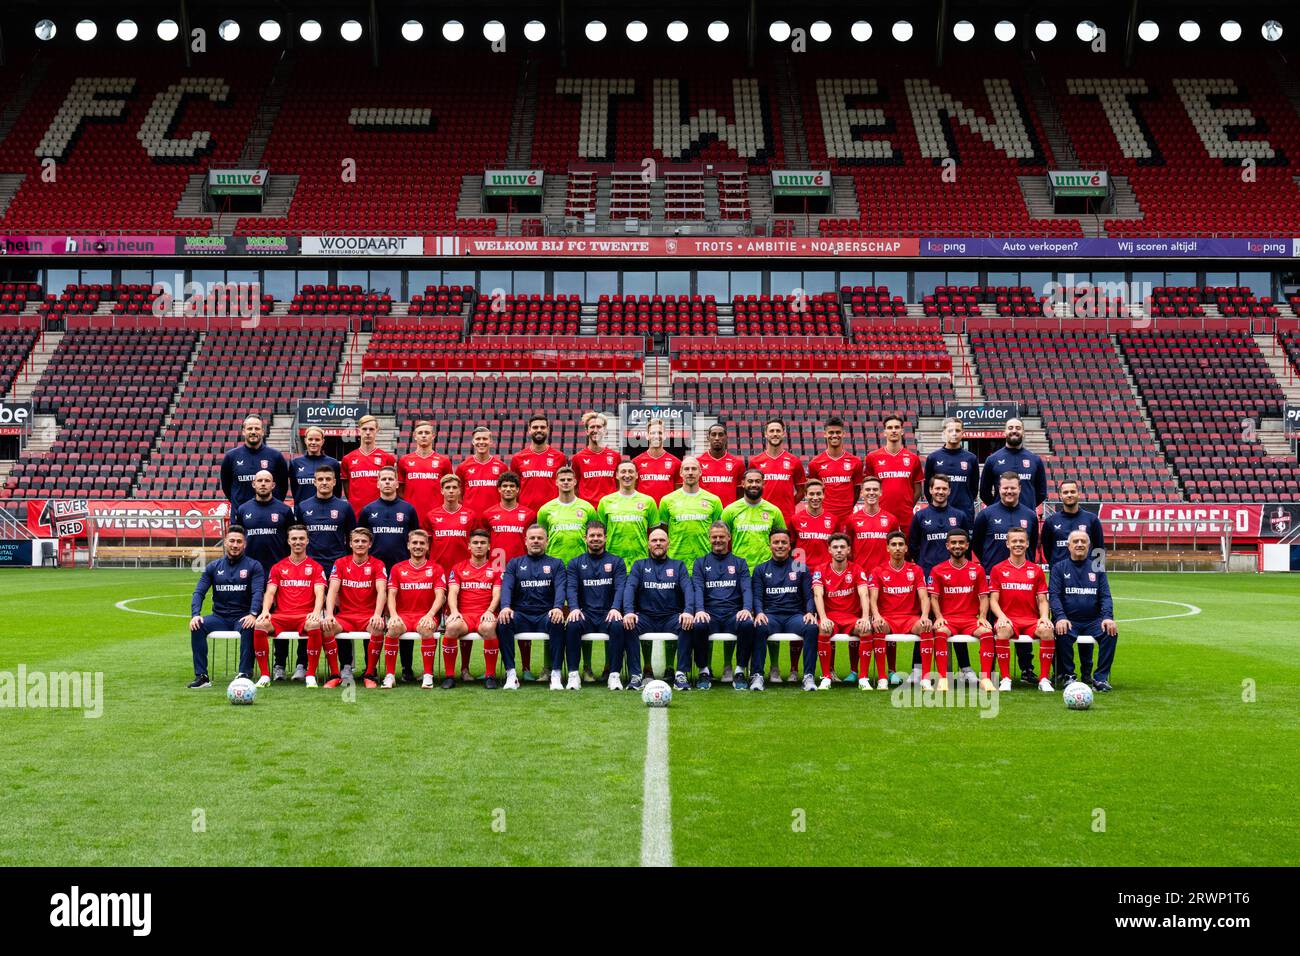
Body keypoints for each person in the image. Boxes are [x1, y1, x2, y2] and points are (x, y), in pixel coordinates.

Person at [972, 472, 1042, 684]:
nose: (1009, 491)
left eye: (1013, 488)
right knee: (995, 625)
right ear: (998, 489)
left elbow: (1035, 542)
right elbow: (976, 544)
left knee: (1025, 618)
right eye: (1005, 488)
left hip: (1023, 580)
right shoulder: (986, 514)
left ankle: (1027, 669)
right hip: (992, 578)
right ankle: (992, 670)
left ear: (1020, 489)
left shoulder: (1029, 515)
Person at [721, 468, 786, 680]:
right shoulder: (730, 510)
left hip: (767, 573)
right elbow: (722, 540)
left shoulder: (774, 511)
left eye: (758, 481)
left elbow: (780, 539)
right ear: (743, 483)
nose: (754, 485)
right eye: (750, 481)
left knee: (769, 616)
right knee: (734, 617)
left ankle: (774, 665)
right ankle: (728, 665)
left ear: (763, 483)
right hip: (738, 574)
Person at [292, 465, 356, 677]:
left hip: (338, 568)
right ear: (314, 482)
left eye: (328, 479)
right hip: (310, 569)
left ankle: (346, 664)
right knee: (308, 614)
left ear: (335, 482)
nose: (324, 483)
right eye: (320, 479)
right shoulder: (303, 506)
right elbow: (298, 537)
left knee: (339, 614)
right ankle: (302, 664)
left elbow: (351, 540)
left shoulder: (344, 508)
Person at [187, 526, 265, 688]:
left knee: (250, 625)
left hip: (242, 616)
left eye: (239, 542)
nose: (235, 545)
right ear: (225, 543)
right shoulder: (213, 567)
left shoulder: (254, 566)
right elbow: (199, 592)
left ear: (245, 544)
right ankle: (202, 676)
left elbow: (258, 592)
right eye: (231, 541)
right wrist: (195, 614)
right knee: (197, 626)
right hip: (219, 618)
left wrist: (253, 613)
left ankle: (245, 673)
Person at [621, 525, 696, 693]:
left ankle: (681, 674)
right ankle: (635, 675)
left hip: (671, 617)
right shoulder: (639, 565)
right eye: (654, 540)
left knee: (689, 624)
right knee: (626, 624)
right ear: (648, 544)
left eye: (662, 540)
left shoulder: (678, 566)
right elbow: (629, 589)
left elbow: (689, 590)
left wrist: (688, 611)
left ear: (668, 544)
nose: (658, 543)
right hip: (645, 617)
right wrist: (628, 612)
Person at [252, 525, 328, 688]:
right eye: (294, 538)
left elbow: (320, 592)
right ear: (288, 541)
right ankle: (265, 675)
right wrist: (265, 611)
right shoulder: (278, 567)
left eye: (301, 538)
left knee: (315, 624)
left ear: (307, 541)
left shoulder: (316, 567)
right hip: (282, 616)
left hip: (305, 616)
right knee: (260, 624)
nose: (297, 542)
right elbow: (270, 593)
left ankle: (310, 675)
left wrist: (316, 612)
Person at [236, 470, 293, 676]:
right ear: (253, 484)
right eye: (259, 480)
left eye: (267, 481)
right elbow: (238, 540)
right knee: (253, 619)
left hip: (279, 574)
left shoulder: (284, 511)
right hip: (251, 575)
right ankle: (249, 666)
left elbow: (291, 541)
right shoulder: (243, 510)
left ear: (273, 485)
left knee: (280, 618)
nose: (262, 484)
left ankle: (279, 665)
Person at [498, 525, 567, 691]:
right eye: (532, 538)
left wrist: (558, 607)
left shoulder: (556, 564)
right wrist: (505, 607)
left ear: (546, 542)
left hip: (545, 614)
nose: (536, 541)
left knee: (557, 621)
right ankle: (511, 674)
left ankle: (556, 674)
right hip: (521, 615)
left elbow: (561, 587)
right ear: (526, 542)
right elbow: (506, 587)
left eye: (540, 538)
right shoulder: (514, 564)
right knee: (503, 622)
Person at [842, 477, 897, 683]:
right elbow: (847, 550)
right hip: (859, 580)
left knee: (886, 621)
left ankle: (890, 670)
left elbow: (895, 547)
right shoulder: (852, 520)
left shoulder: (890, 519)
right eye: (868, 490)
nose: (872, 493)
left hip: (884, 580)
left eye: (875, 489)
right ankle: (854, 670)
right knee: (859, 622)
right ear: (862, 493)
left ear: (881, 493)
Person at [1049, 530, 1118, 692]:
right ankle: (1068, 675)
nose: (1079, 544)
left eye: (1083, 541)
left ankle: (1100, 678)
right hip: (1069, 620)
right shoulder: (1059, 568)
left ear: (1089, 546)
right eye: (1075, 541)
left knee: (1111, 632)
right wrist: (1060, 617)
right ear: (1068, 546)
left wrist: (1107, 617)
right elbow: (1054, 596)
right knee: (1061, 630)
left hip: (1093, 621)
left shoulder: (1097, 568)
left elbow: (1105, 596)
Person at [751, 529, 819, 692]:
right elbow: (757, 596)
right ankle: (757, 675)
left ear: (790, 546)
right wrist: (759, 612)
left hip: (794, 616)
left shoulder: (800, 568)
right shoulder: (761, 569)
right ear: (770, 546)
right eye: (776, 542)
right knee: (758, 627)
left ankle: (808, 676)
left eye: (783, 542)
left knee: (811, 627)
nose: (780, 546)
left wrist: (810, 611)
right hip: (771, 616)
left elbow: (809, 595)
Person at [988, 527, 1054, 693]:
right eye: (1014, 541)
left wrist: (1045, 616)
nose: (1018, 544)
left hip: (1031, 619)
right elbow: (993, 600)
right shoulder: (998, 569)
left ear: (1027, 544)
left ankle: (1044, 679)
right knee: (1002, 630)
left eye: (1021, 541)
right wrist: (1001, 617)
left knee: (1047, 630)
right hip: (1009, 619)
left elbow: (1042, 599)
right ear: (1008, 544)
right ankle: (1005, 678)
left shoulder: (1036, 570)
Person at [866, 531, 934, 691]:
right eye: (894, 545)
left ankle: (925, 678)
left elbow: (924, 597)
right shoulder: (878, 571)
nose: (897, 548)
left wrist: (924, 616)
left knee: (926, 627)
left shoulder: (916, 570)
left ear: (906, 549)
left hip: (910, 618)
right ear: (887, 548)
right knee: (878, 627)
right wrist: (876, 616)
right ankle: (882, 678)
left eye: (901, 545)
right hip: (888, 618)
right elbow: (872, 598)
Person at [691, 522, 755, 690]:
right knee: (698, 625)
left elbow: (747, 588)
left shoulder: (740, 563)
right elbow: (697, 588)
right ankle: (704, 670)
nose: (718, 540)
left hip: (732, 614)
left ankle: (740, 670)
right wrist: (699, 610)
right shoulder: (700, 563)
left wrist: (747, 609)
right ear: (709, 539)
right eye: (714, 537)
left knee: (748, 623)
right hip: (710, 614)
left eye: (721, 537)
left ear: (729, 538)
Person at [927, 529, 992, 691]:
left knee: (987, 633)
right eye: (954, 543)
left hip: (970, 620)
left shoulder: (977, 570)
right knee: (940, 632)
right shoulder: (937, 570)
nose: (957, 546)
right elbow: (933, 598)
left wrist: (983, 617)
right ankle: (943, 678)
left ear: (967, 545)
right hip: (948, 620)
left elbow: (984, 596)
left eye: (961, 542)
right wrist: (939, 617)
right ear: (947, 546)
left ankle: (985, 678)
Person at [565, 520, 626, 691]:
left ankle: (614, 675)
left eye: (599, 535)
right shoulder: (575, 563)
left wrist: (615, 608)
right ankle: (573, 675)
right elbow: (571, 588)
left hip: (608, 613)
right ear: (585, 538)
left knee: (617, 625)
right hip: (586, 613)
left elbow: (620, 587)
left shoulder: (617, 562)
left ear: (605, 538)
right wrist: (575, 608)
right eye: (592, 535)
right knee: (572, 625)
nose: (595, 539)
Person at [322, 527, 387, 688]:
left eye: (363, 541)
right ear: (350, 544)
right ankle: (335, 674)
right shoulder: (341, 563)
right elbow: (332, 590)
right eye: (356, 541)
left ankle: (370, 674)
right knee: (327, 627)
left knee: (377, 627)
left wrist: (378, 614)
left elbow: (382, 591)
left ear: (370, 544)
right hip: (346, 616)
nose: (360, 544)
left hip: (368, 616)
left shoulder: (377, 564)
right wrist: (329, 614)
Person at [385, 529, 448, 689]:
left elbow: (440, 596)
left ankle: (428, 675)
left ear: (427, 547)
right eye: (414, 543)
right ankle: (390, 675)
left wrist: (430, 615)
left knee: (425, 628)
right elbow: (391, 594)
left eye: (422, 543)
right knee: (393, 628)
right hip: (404, 615)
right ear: (408, 545)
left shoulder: (436, 568)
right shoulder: (397, 568)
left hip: (426, 614)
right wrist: (393, 615)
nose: (418, 546)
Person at [443, 530, 503, 688]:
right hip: (465, 615)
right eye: (475, 543)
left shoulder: (496, 569)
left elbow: (497, 594)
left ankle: (490, 676)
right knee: (451, 627)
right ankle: (449, 676)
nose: (479, 546)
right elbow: (453, 592)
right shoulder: (458, 568)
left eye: (483, 543)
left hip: (485, 614)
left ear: (489, 546)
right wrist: (455, 612)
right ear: (469, 546)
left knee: (489, 628)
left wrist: (490, 611)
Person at [811, 532, 870, 690]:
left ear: (849, 550)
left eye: (842, 547)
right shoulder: (820, 569)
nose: (839, 550)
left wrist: (865, 617)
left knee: (866, 629)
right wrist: (823, 618)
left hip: (851, 618)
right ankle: (826, 677)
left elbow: (864, 593)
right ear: (829, 550)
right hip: (831, 617)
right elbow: (818, 593)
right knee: (823, 629)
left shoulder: (857, 569)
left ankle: (863, 678)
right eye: (835, 547)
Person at [864, 414, 924, 537]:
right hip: (881, 515)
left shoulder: (913, 458)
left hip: (906, 517)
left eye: (897, 427)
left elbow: (918, 489)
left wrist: (907, 506)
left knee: (907, 552)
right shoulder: (872, 457)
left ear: (902, 431)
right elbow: (868, 486)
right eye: (890, 428)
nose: (893, 430)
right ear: (884, 432)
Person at [659, 456, 723, 570]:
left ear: (700, 472)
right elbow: (664, 532)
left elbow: (718, 533)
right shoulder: (667, 500)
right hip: (675, 562)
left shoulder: (714, 500)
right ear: (681, 473)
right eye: (686, 469)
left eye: (694, 469)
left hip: (705, 562)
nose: (690, 473)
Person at [597, 460, 658, 572]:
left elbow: (656, 534)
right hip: (612, 562)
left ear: (636, 475)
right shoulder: (605, 502)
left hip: (640, 561)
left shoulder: (648, 501)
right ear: (617, 475)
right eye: (623, 471)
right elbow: (600, 534)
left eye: (630, 472)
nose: (627, 475)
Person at [978, 417, 1047, 513]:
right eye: (1010, 428)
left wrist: (1028, 505)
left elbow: (1042, 493)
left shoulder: (1035, 460)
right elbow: (984, 492)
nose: (1014, 430)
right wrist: (997, 506)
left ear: (1023, 432)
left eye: (1018, 428)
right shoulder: (992, 459)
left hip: (1027, 516)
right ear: (1004, 432)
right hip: (1000, 516)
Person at [221, 415, 288, 510]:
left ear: (262, 432)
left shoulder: (276, 456)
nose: (253, 432)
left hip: (270, 514)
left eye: (257, 428)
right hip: (240, 516)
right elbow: (226, 486)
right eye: (250, 428)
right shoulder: (231, 457)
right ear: (244, 432)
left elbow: (283, 487)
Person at [749, 418, 805, 527]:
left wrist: (789, 505)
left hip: (786, 517)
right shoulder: (755, 462)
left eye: (778, 431)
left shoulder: (795, 461)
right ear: (766, 434)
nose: (775, 434)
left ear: (783, 434)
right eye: (772, 431)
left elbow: (801, 492)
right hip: (761, 515)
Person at [536, 465, 597, 565]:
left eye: (569, 479)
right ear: (556, 482)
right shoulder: (545, 510)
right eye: (562, 480)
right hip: (554, 563)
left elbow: (593, 537)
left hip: (581, 563)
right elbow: (542, 537)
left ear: (575, 482)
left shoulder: (587, 508)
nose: (566, 482)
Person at [807, 416, 863, 523]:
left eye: (838, 432)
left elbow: (856, 490)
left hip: (847, 517)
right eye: (831, 432)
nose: (834, 435)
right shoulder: (815, 463)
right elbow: (814, 490)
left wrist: (847, 507)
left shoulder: (855, 462)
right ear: (825, 434)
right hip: (824, 516)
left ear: (844, 433)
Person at [398, 420, 453, 527]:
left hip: (437, 515)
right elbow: (400, 490)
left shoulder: (444, 461)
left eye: (427, 433)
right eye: (420, 433)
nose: (423, 436)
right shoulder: (404, 460)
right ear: (414, 436)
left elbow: (449, 488)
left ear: (433, 436)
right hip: (411, 514)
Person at [924, 417, 979, 524]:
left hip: (965, 513)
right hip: (939, 513)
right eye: (950, 430)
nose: (954, 434)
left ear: (963, 433)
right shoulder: (933, 458)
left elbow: (974, 489)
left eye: (958, 431)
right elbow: (927, 488)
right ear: (944, 432)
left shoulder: (971, 458)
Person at [510, 413, 567, 514]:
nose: (539, 430)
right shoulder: (517, 458)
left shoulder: (559, 457)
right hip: (526, 513)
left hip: (553, 513)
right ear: (529, 430)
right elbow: (514, 487)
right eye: (535, 427)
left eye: (542, 427)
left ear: (548, 430)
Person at [341, 414, 396, 517]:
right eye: (364, 429)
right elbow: (347, 489)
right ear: (358, 430)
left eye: (371, 429)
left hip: (381, 513)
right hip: (356, 513)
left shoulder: (387, 458)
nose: (367, 433)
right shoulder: (347, 459)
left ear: (377, 430)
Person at [1040, 479, 1106, 565]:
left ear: (1078, 494)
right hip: (1059, 574)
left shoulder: (1092, 519)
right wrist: (1056, 566)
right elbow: (1047, 550)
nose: (1069, 495)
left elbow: (1099, 549)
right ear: (1060, 496)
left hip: (1085, 574)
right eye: (1066, 492)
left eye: (1072, 491)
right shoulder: (1050, 521)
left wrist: (1097, 572)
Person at [456, 426, 508, 517]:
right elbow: (459, 496)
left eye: (485, 439)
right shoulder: (462, 467)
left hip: (495, 517)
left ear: (491, 442)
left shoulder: (501, 467)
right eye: (478, 439)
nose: (481, 442)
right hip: (471, 517)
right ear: (473, 442)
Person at [571, 411, 620, 506]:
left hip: (610, 508)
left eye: (599, 427)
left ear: (605, 430)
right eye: (592, 427)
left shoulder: (615, 456)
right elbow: (575, 486)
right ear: (586, 431)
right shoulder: (578, 458)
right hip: (587, 509)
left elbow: (618, 485)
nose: (595, 430)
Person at [633, 419, 681, 505]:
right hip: (643, 511)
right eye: (652, 433)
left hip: (666, 512)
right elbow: (633, 490)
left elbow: (679, 491)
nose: (656, 436)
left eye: (660, 433)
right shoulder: (636, 462)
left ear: (665, 435)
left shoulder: (676, 462)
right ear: (647, 436)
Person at [289, 426, 340, 505]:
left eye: (317, 440)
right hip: (303, 512)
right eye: (310, 439)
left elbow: (337, 492)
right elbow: (294, 490)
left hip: (328, 511)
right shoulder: (295, 463)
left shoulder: (333, 463)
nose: (313, 442)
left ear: (322, 441)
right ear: (305, 440)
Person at [698, 421, 744, 506]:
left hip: (728, 513)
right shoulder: (698, 462)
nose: (717, 438)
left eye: (720, 434)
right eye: (713, 434)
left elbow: (740, 493)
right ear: (708, 437)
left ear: (726, 437)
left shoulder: (737, 463)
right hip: (705, 511)